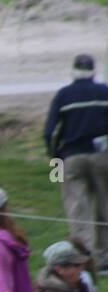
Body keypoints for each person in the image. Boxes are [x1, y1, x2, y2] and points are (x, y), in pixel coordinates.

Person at [45, 54, 108, 263]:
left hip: (71, 156)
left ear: (73, 71)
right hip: (102, 155)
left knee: (78, 208)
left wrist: (54, 160)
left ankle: (85, 257)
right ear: (94, 72)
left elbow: (51, 133)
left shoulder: (64, 95)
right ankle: (104, 256)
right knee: (104, 205)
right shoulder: (104, 92)